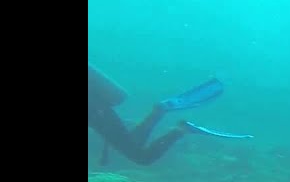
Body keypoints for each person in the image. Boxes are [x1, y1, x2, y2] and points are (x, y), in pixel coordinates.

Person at [88, 63, 253, 166]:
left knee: (141, 157)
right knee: (134, 145)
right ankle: (161, 112)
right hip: (96, 109)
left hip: (95, 110)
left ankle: (179, 128)